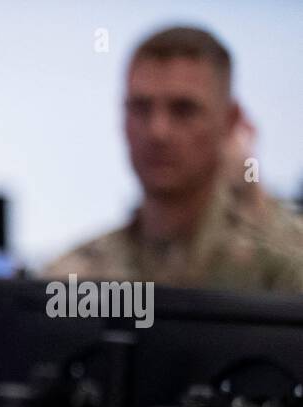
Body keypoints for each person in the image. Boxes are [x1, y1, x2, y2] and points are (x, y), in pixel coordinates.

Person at [42, 26, 303, 293]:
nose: (158, 132)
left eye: (184, 110)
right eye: (141, 108)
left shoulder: (283, 265)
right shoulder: (72, 281)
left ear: (230, 120)